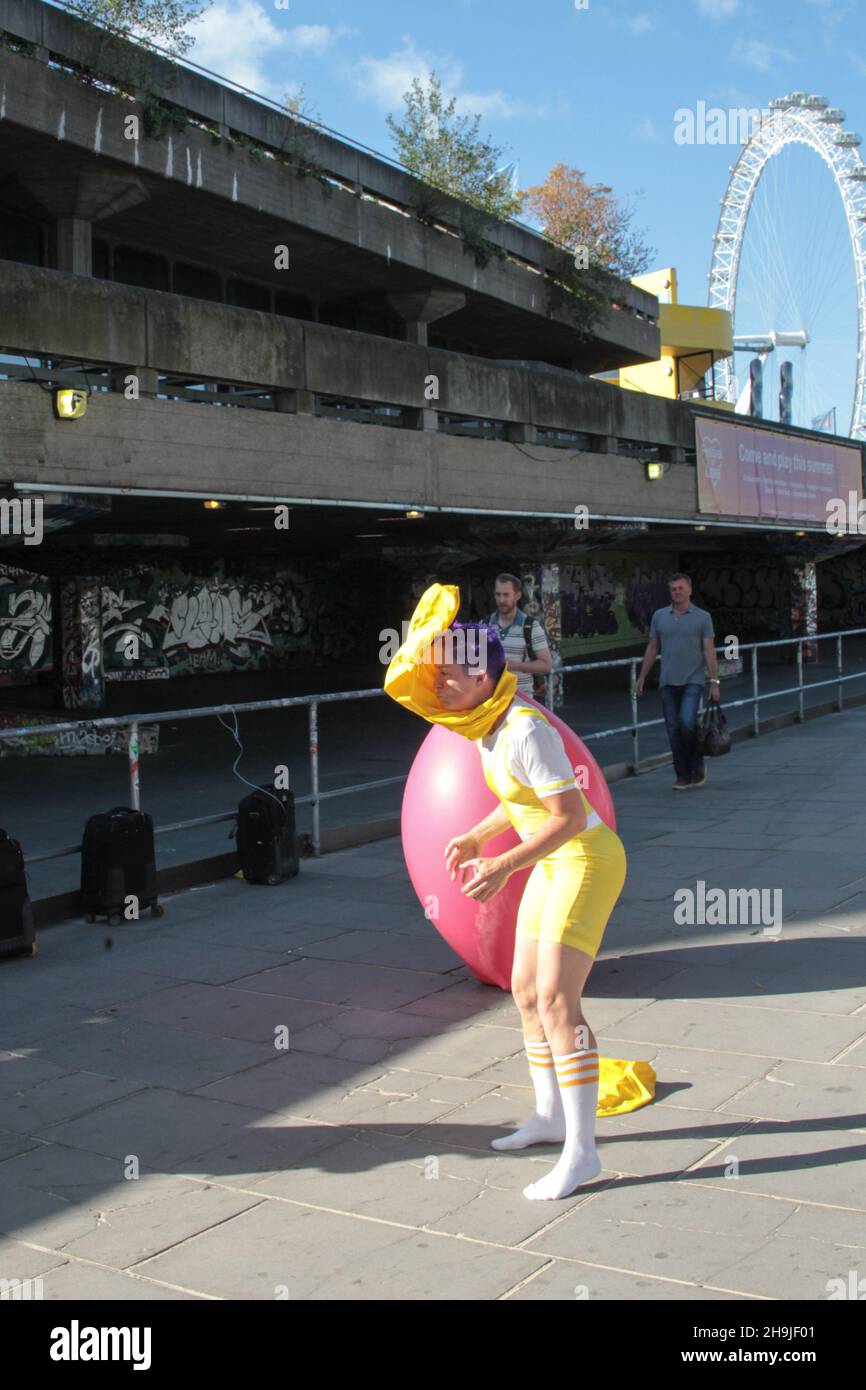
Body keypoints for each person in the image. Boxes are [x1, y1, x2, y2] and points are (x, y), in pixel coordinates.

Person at [385, 586, 629, 1200]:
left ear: (480, 676)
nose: (437, 685)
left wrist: (501, 865)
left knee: (557, 1002)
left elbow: (567, 816)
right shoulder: (487, 727)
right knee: (524, 992)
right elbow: (519, 799)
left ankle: (583, 1151)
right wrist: (476, 835)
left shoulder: (525, 729)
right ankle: (548, 1118)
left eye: (446, 675)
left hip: (584, 860)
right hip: (553, 859)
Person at [635, 572, 720, 790]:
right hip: (667, 682)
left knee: (687, 722)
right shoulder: (659, 616)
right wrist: (642, 676)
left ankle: (697, 765)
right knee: (673, 729)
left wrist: (714, 682)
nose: (677, 592)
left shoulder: (702, 617)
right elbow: (653, 647)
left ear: (690, 590)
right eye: (673, 589)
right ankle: (682, 775)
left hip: (693, 680)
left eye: (681, 588)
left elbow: (709, 650)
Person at [488, 573, 552, 701]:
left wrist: (513, 665)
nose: (501, 600)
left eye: (506, 595)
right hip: (490, 702)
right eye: (498, 594)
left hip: (520, 702)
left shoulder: (531, 627)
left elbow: (546, 665)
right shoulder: (484, 625)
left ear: (517, 596)